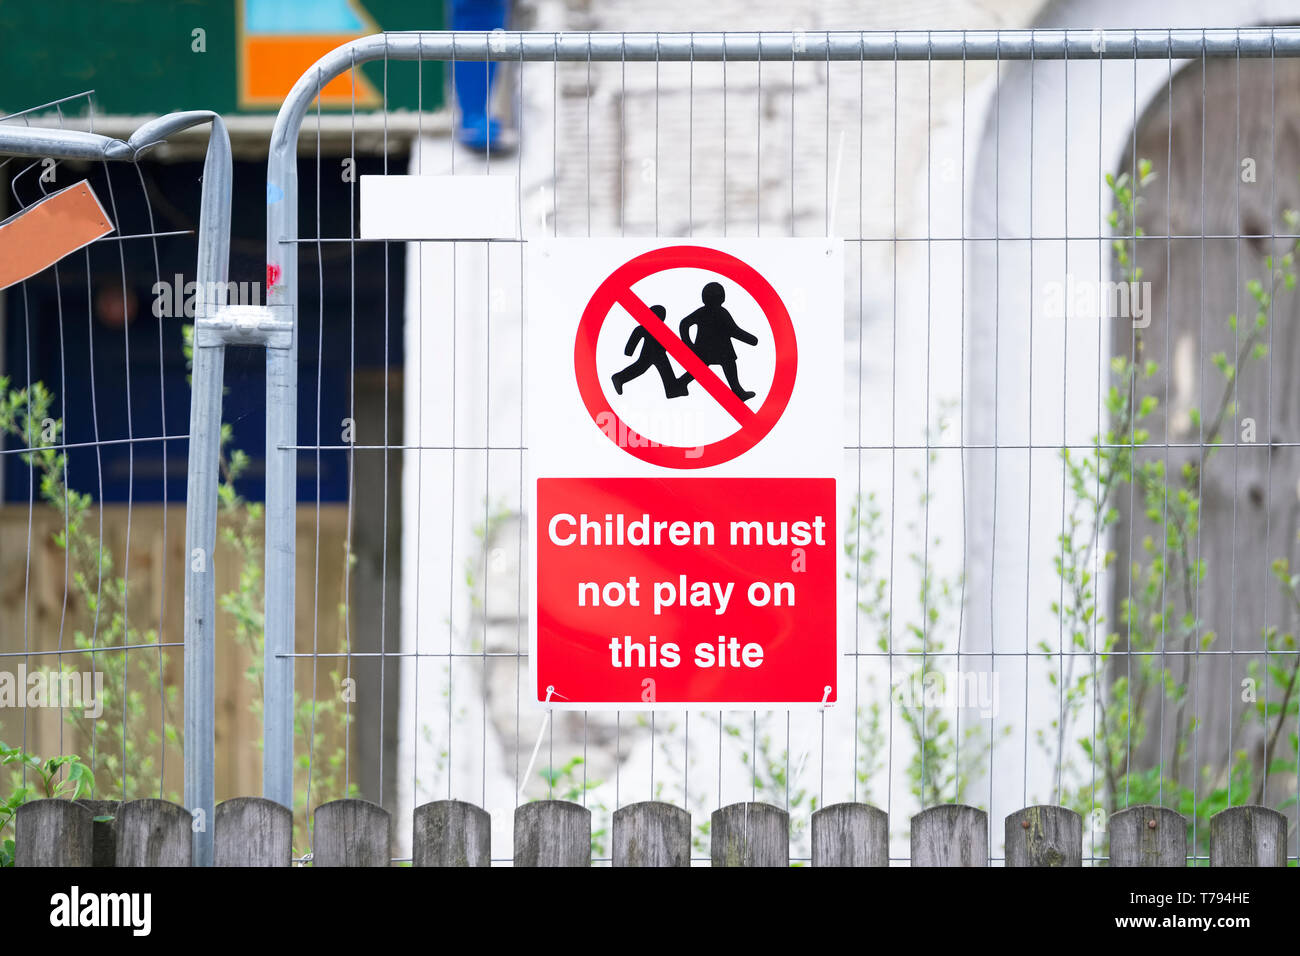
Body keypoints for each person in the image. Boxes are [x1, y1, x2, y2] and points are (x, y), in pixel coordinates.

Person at [676, 282, 758, 401]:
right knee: (728, 364)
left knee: (699, 368)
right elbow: (734, 330)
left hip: (703, 348)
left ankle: (681, 384)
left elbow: (684, 324)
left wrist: (688, 344)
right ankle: (737, 391)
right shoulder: (721, 312)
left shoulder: (702, 311)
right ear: (722, 298)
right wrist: (751, 340)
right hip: (721, 349)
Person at [611, 305, 688, 398]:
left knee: (660, 371)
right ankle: (619, 377)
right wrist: (629, 352)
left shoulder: (660, 330)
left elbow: (674, 344)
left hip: (658, 355)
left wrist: (629, 351)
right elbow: (635, 338)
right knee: (642, 368)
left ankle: (671, 389)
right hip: (652, 354)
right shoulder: (648, 329)